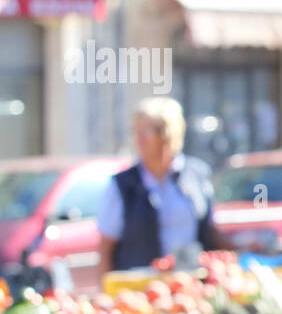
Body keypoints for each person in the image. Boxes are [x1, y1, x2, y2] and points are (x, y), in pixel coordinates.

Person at [96, 96, 235, 274]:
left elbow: (209, 230)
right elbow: (106, 247)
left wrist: (240, 249)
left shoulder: (197, 174)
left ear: (168, 135)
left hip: (190, 280)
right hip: (141, 288)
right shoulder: (123, 184)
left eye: (147, 132)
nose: (139, 139)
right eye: (136, 132)